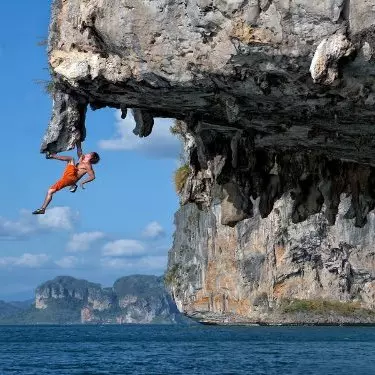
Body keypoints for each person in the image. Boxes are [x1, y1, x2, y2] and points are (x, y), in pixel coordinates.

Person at [32, 141, 100, 214]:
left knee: (71, 159)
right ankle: (43, 209)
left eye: (90, 154)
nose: (88, 153)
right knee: (50, 191)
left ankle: (51, 155)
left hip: (71, 177)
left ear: (91, 157)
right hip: (67, 178)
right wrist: (78, 140)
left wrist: (83, 182)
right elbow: (79, 149)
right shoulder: (81, 160)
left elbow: (92, 176)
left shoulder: (88, 165)